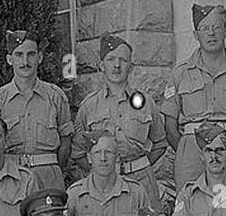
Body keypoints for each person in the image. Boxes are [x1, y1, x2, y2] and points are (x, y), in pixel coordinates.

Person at [162, 3, 226, 190]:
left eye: (217, 27)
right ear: (196, 35)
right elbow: (170, 129)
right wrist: (190, 149)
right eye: (204, 28)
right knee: (190, 207)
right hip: (192, 154)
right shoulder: (180, 74)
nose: (211, 33)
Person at [69, 33, 164, 199]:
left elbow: (160, 143)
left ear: (131, 67)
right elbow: (77, 152)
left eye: (123, 60)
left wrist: (141, 166)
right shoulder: (89, 106)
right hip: (103, 184)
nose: (117, 65)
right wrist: (99, 171)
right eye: (111, 60)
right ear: (101, 66)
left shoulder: (145, 101)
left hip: (142, 181)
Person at [0, 30, 72, 191]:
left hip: (48, 177)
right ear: (10, 59)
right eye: (19, 55)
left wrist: (49, 165)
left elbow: (66, 141)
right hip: (10, 176)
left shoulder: (56, 97)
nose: (25, 61)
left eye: (31, 54)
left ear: (40, 57)